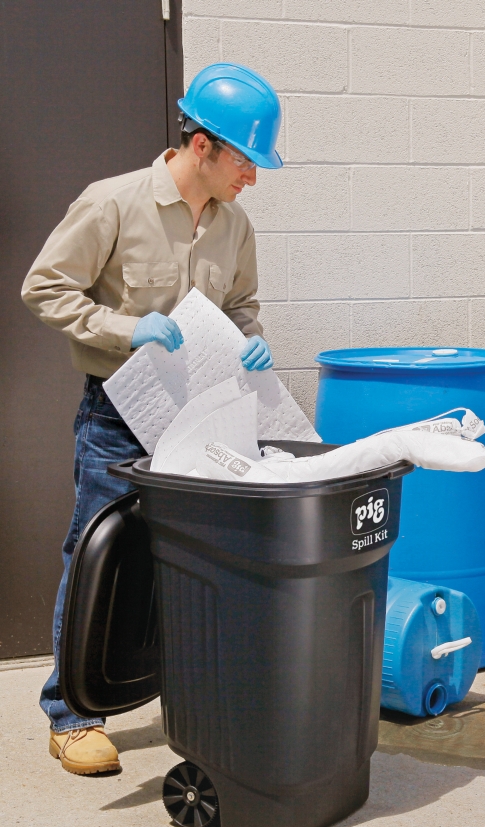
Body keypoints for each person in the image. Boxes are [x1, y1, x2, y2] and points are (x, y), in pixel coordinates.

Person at [21, 62, 283, 775]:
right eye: (245, 161)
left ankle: (187, 693)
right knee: (100, 553)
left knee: (194, 560)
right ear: (203, 146)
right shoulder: (112, 204)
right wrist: (122, 328)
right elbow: (43, 288)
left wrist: (250, 338)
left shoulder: (235, 226)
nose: (251, 178)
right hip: (118, 413)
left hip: (202, 413)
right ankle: (71, 716)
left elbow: (242, 305)